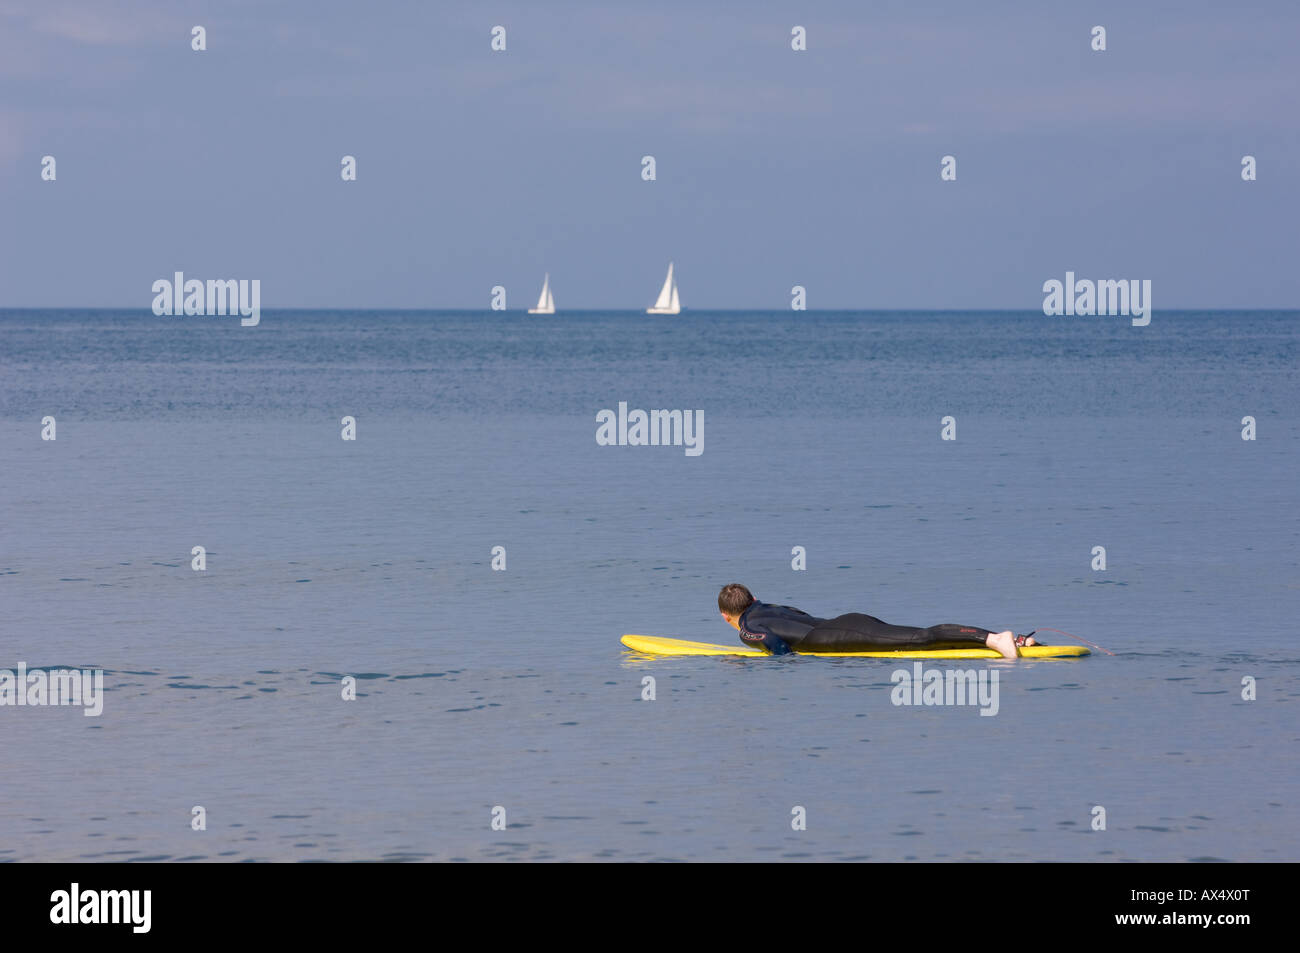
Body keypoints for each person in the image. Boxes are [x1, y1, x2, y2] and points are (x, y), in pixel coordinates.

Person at [716, 583, 1038, 659]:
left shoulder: (748, 627)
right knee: (917, 638)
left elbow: (780, 651)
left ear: (725, 616)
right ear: (754, 599)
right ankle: (1017, 640)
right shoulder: (773, 606)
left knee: (920, 639)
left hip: (838, 637)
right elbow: (799, 618)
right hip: (848, 621)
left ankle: (996, 639)